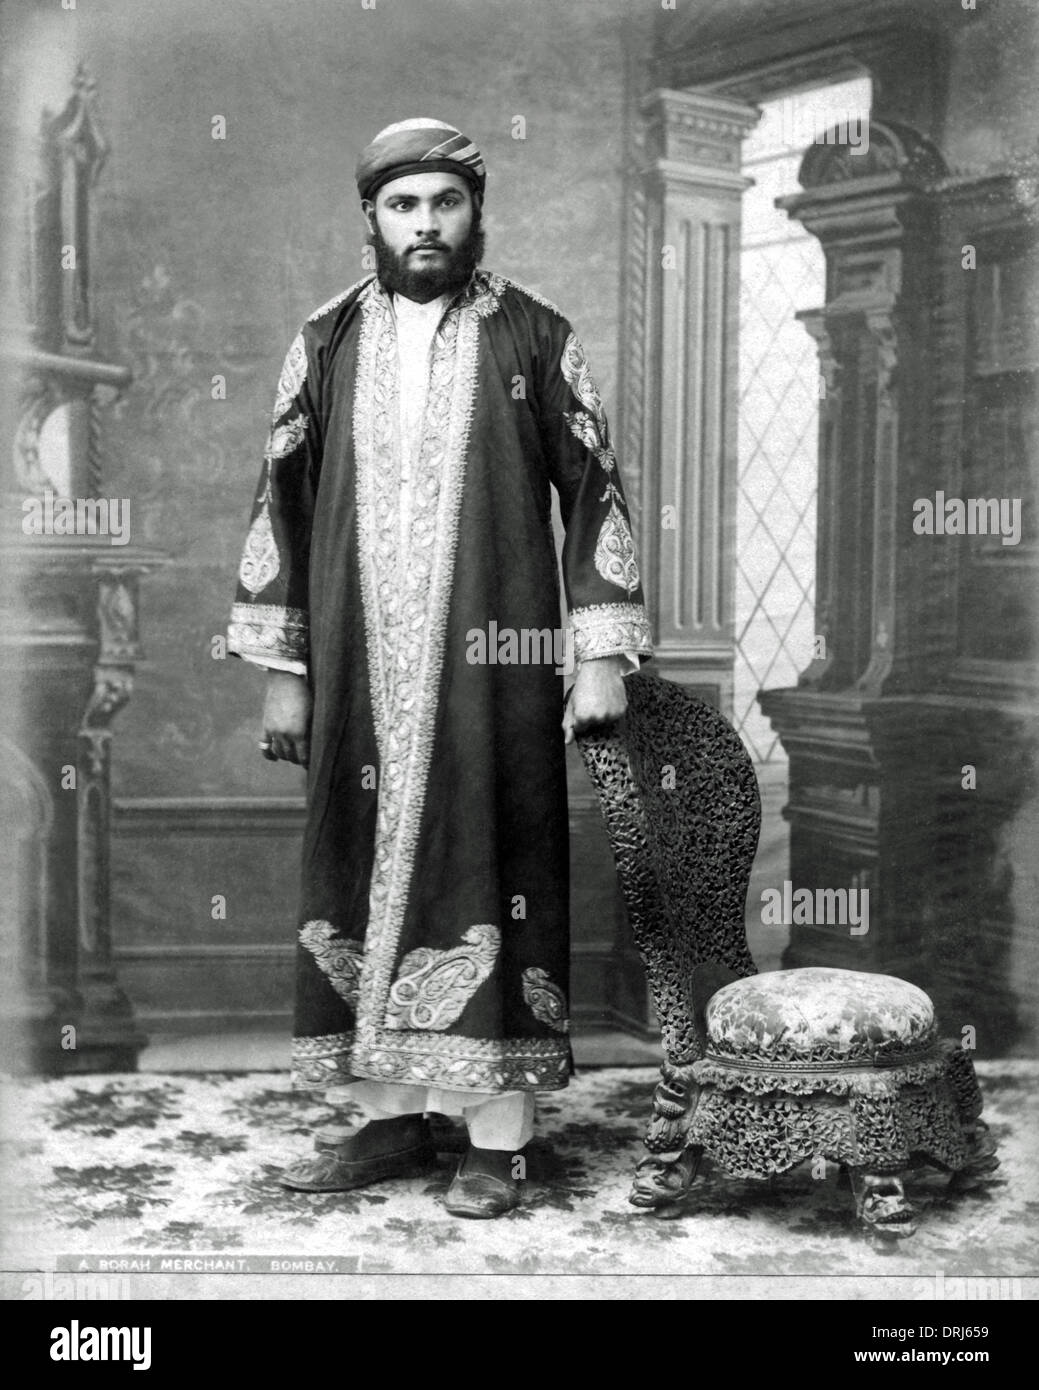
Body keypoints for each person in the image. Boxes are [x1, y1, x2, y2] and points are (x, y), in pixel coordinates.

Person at [228, 118, 652, 1218]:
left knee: (491, 864)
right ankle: (385, 1116)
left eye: (445, 203)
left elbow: (596, 493)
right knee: (354, 861)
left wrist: (598, 652)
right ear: (369, 216)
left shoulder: (535, 336)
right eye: (403, 206)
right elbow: (279, 504)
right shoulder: (323, 342)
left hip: (494, 665)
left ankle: (499, 1136)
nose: (425, 225)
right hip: (356, 666)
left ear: (475, 210)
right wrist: (286, 669)